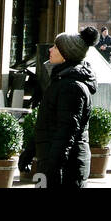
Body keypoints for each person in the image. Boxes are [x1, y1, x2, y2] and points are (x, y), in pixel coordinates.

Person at [34, 26, 98, 187]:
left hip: (66, 168)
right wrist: (30, 152)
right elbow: (47, 123)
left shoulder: (71, 87)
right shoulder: (61, 80)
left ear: (65, 55)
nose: (50, 49)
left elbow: (66, 131)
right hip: (52, 161)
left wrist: (53, 167)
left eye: (56, 47)